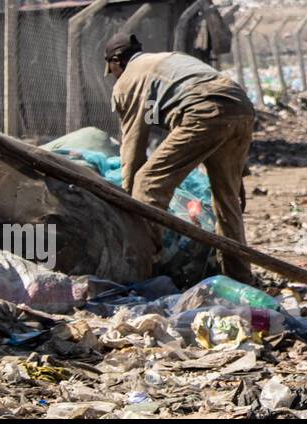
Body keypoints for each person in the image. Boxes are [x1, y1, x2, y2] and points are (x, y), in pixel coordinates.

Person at [105, 32, 256, 283]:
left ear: (118, 60)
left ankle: (144, 272)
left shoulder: (128, 79)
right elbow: (222, 104)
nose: (114, 77)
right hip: (240, 105)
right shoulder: (169, 59)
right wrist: (237, 173)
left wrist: (128, 200)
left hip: (204, 109)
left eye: (112, 70)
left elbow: (132, 147)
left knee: (147, 183)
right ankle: (239, 278)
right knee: (226, 201)